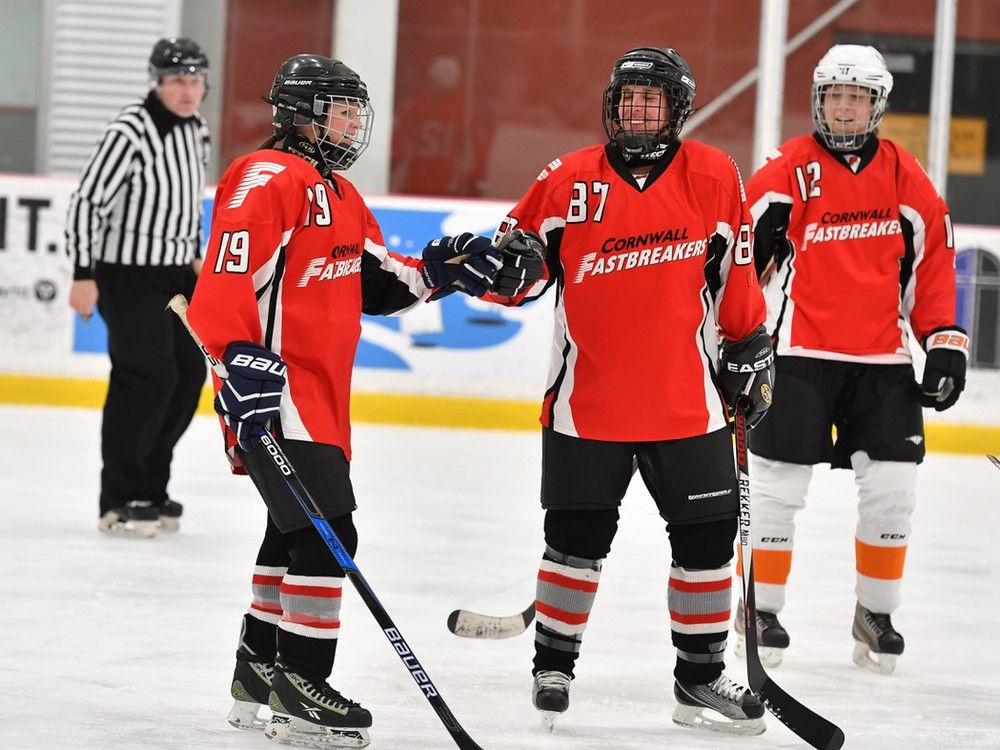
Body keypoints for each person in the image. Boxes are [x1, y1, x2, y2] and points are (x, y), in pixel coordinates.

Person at [186, 54, 521, 748]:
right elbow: (222, 280)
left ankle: (257, 671)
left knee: (291, 531)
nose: (351, 123)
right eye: (339, 110)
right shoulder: (266, 176)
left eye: (352, 111)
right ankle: (302, 683)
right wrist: (236, 364)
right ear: (302, 115)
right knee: (326, 533)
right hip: (276, 393)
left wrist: (444, 269)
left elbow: (379, 283)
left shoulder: (336, 191)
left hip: (321, 397)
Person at [485, 47, 773, 735]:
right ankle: (552, 664)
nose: (637, 111)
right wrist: (510, 267)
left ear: (677, 111)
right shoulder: (566, 178)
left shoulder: (713, 174)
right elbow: (510, 275)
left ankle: (699, 680)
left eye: (652, 101)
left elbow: (736, 278)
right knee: (576, 540)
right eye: (629, 98)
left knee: (705, 542)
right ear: (612, 105)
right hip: (589, 406)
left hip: (690, 404)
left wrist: (752, 344)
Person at [737, 44, 968, 675]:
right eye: (833, 96)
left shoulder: (902, 172)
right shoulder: (787, 168)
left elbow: (932, 261)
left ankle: (876, 612)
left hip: (883, 359)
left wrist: (944, 338)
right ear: (817, 101)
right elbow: (735, 257)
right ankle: (760, 609)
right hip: (799, 353)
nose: (843, 108)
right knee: (780, 485)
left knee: (894, 488)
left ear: (876, 106)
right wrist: (735, 327)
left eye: (856, 98)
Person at [66, 37, 212, 538]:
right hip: (124, 273)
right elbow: (87, 201)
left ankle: (150, 486)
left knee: (190, 374)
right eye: (177, 80)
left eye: (195, 81)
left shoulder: (198, 131)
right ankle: (118, 498)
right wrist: (83, 273)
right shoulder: (131, 129)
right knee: (147, 374)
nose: (187, 91)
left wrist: (193, 250)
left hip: (176, 273)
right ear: (157, 82)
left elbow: (188, 200)